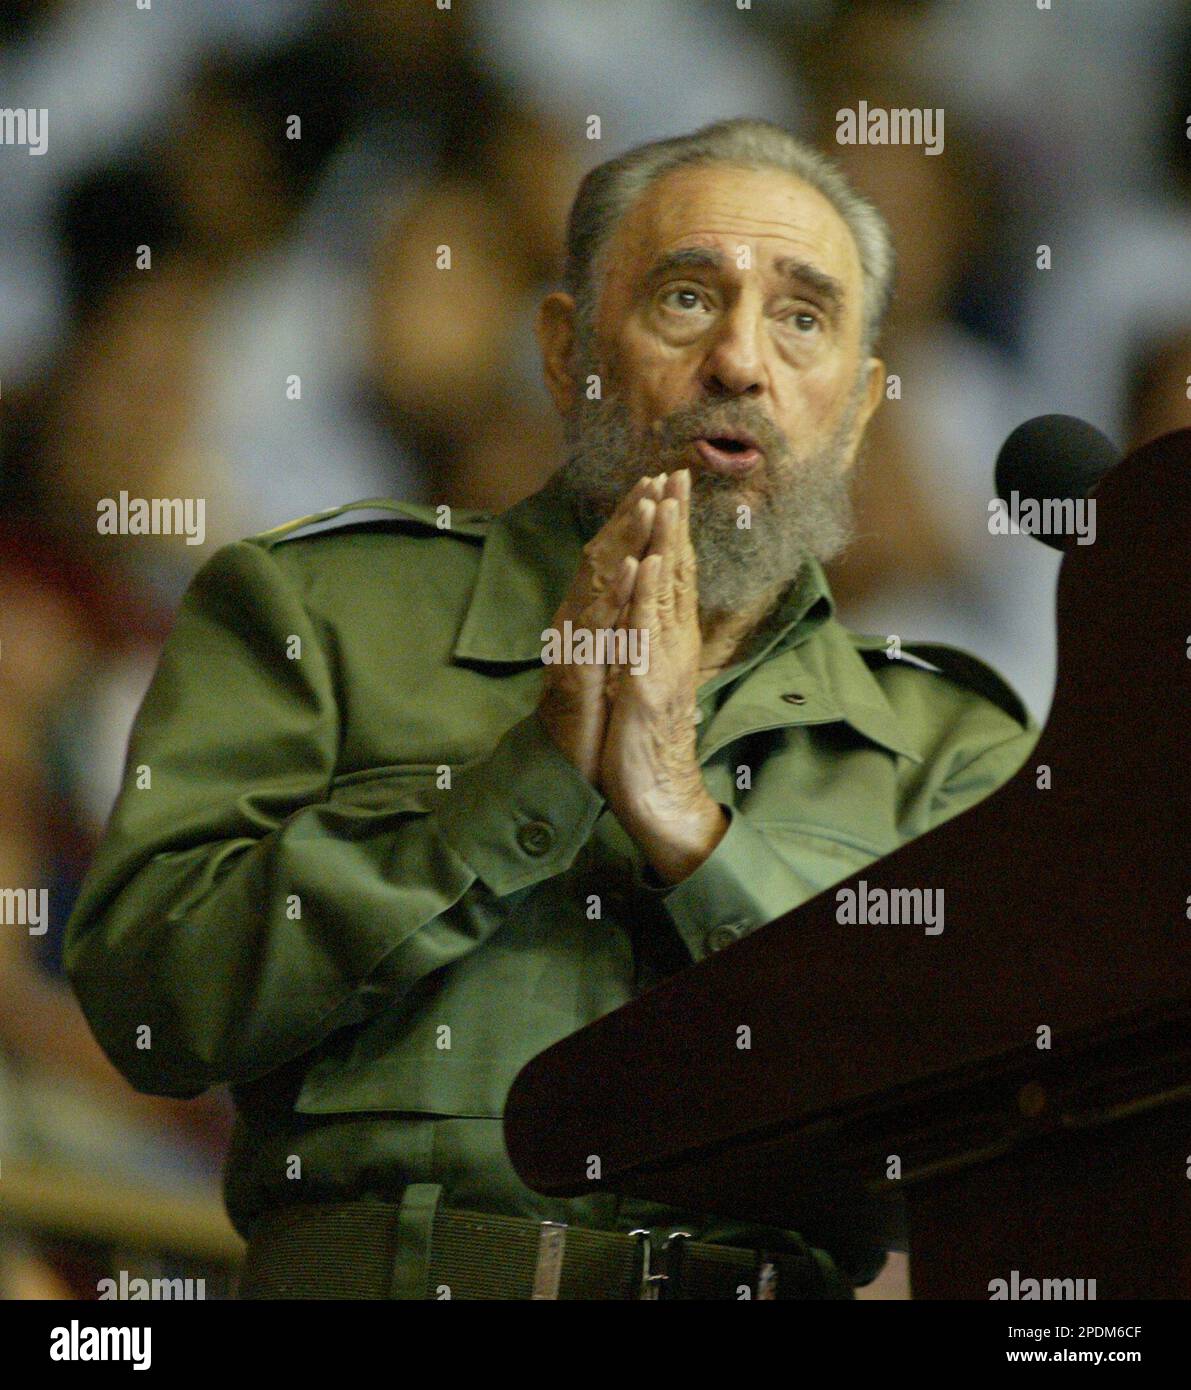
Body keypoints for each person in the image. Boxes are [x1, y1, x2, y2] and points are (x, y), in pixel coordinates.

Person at [64, 118, 1038, 1300]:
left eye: (802, 318)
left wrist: (693, 834)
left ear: (864, 404)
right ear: (564, 348)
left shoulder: (950, 747)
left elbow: (990, 1142)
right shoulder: (316, 610)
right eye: (687, 298)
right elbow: (152, 1010)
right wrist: (514, 793)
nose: (741, 361)